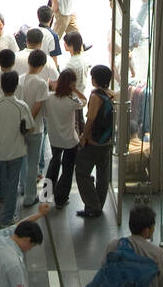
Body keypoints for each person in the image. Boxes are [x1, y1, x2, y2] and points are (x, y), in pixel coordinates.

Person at [0, 70, 34, 228]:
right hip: (15, 152)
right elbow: (30, 128)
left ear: (1, 86)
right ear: (16, 86)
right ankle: (7, 218)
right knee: (12, 186)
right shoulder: (21, 106)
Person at [75, 64, 116, 219]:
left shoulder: (95, 96)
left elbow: (91, 119)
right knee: (103, 173)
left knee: (82, 172)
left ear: (95, 79)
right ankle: (99, 204)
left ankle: (93, 205)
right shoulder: (113, 95)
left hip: (94, 142)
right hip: (107, 141)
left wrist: (84, 136)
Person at [43, 67, 86, 210]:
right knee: (67, 170)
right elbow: (84, 100)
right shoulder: (72, 101)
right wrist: (75, 90)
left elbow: (44, 113)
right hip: (69, 141)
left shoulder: (49, 98)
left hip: (54, 139)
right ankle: (60, 199)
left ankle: (46, 194)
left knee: (53, 163)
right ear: (71, 84)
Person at [17, 48, 52, 208]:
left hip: (18, 127)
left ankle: (23, 187)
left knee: (22, 160)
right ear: (42, 65)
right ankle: (30, 196)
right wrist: (28, 122)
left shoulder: (19, 79)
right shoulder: (41, 83)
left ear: (29, 62)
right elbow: (38, 107)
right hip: (34, 128)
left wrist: (21, 123)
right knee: (33, 163)